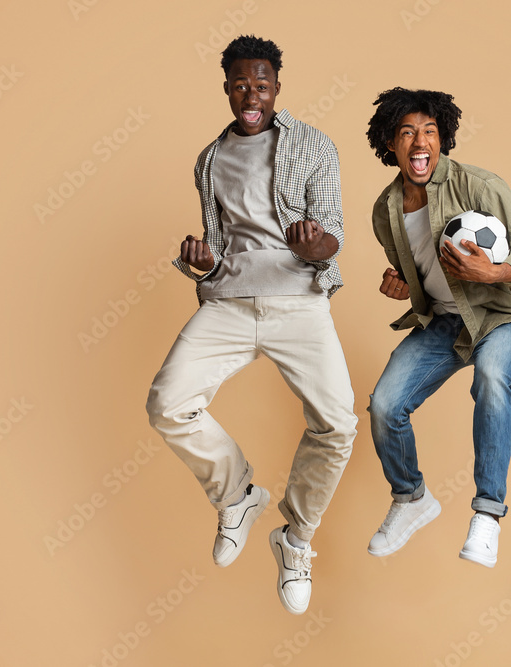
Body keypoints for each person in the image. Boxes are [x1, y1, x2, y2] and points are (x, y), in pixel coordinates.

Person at [146, 35, 357, 613]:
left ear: (277, 88)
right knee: (167, 403)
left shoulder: (314, 145)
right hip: (228, 303)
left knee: (338, 427)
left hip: (299, 303)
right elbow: (219, 243)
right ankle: (237, 495)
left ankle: (295, 539)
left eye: (260, 85)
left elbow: (334, 231)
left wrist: (317, 246)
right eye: (240, 85)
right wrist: (205, 260)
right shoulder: (208, 159)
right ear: (227, 88)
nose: (250, 95)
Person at [364, 87, 511, 567]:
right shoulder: (384, 210)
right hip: (444, 323)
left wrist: (494, 272)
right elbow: (417, 269)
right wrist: (402, 284)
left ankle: (487, 515)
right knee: (384, 405)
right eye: (407, 132)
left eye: (429, 131)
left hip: (500, 315)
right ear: (390, 143)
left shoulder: (480, 186)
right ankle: (411, 499)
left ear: (443, 138)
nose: (419, 142)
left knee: (490, 377)